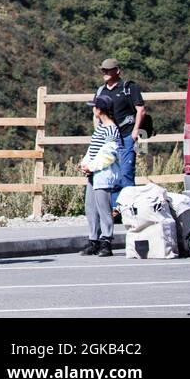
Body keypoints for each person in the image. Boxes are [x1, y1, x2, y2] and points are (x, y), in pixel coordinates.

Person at [93, 58, 146, 209]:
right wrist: (98, 132)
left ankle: (128, 209)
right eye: (103, 70)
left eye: (107, 70)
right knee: (112, 173)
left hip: (127, 135)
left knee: (126, 172)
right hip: (109, 138)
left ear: (117, 71)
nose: (104, 73)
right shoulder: (100, 91)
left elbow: (140, 110)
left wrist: (136, 131)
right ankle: (117, 210)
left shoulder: (129, 87)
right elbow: (95, 113)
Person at [79, 94, 121, 257]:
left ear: (100, 110)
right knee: (91, 207)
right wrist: (85, 163)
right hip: (93, 173)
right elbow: (93, 149)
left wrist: (92, 166)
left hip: (103, 174)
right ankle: (93, 240)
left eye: (95, 107)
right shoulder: (101, 128)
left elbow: (108, 155)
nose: (93, 110)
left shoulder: (111, 129)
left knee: (104, 209)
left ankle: (106, 241)